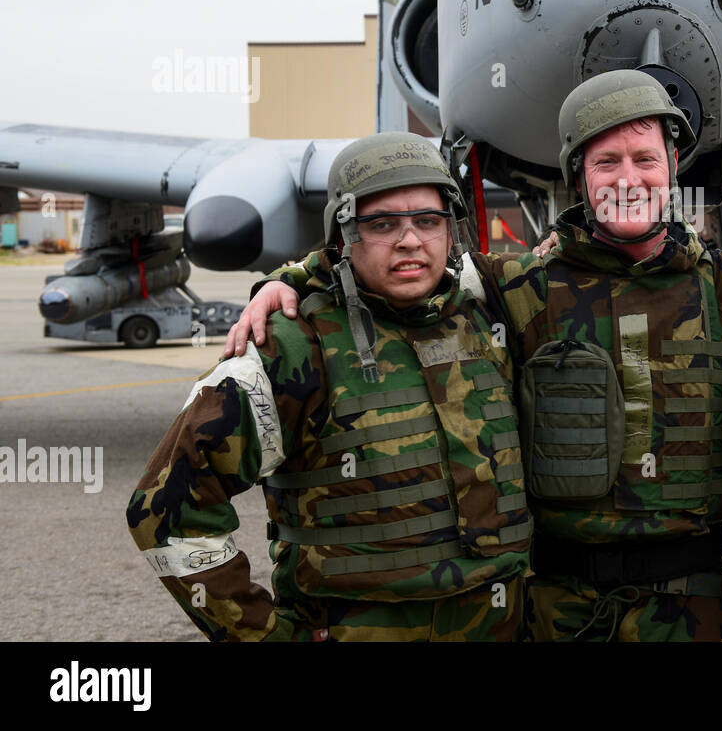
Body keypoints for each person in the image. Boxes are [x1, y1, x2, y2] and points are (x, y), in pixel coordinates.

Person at [225, 70, 722, 641]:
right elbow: (398, 261)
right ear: (578, 176)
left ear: (673, 169)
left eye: (646, 159)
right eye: (606, 162)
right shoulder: (515, 287)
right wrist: (291, 279)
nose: (629, 177)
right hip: (555, 607)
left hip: (694, 602)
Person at [126, 134, 532, 641]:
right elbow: (164, 512)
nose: (410, 240)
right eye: (381, 224)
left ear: (451, 228)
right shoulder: (290, 346)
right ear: (343, 234)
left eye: (428, 221)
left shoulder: (492, 309)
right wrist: (265, 636)